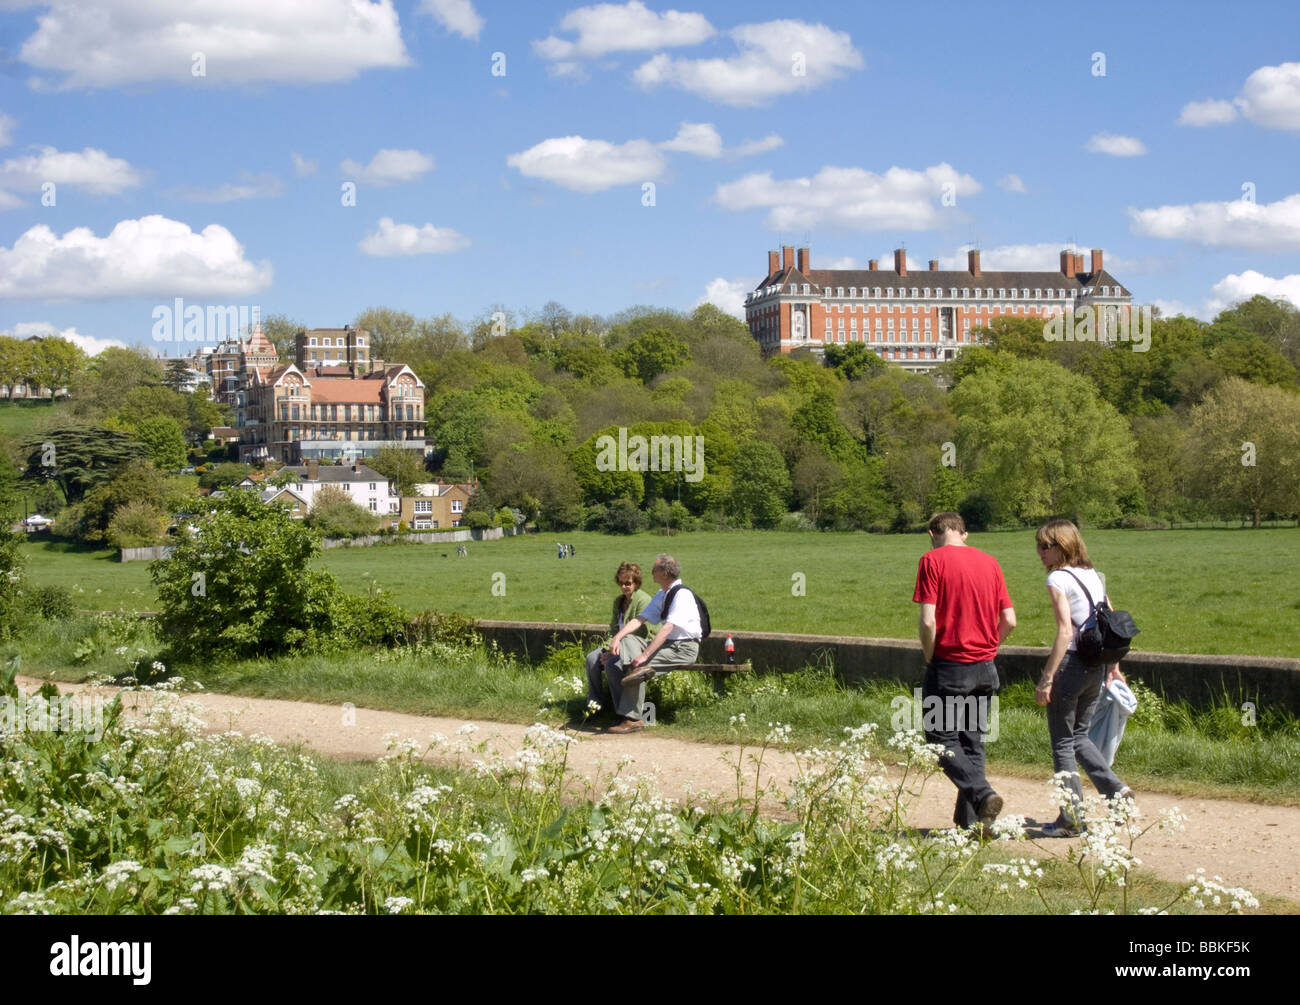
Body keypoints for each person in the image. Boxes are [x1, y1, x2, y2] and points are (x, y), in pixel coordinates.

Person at [913, 512, 1016, 831]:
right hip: (986, 668)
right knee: (973, 742)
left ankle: (983, 794)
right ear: (964, 533)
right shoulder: (990, 562)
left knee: (938, 739)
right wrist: (988, 649)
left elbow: (928, 620)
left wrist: (931, 656)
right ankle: (973, 824)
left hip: (950, 665)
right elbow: (1010, 619)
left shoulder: (932, 561)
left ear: (932, 533)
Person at [1033, 519, 1132, 836]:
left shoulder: (1058, 579)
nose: (1039, 553)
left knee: (1063, 743)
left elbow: (1065, 631)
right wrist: (1113, 668)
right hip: (1097, 666)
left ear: (1061, 547)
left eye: (1044, 547)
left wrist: (1047, 678)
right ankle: (1116, 792)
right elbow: (1111, 622)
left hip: (1073, 666)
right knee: (1079, 737)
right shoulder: (1092, 575)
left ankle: (1071, 819)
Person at [606, 554, 702, 734]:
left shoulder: (682, 595)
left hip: (683, 648)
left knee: (639, 666)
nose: (651, 572)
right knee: (628, 642)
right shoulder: (662, 594)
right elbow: (640, 619)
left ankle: (632, 719)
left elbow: (666, 629)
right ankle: (624, 708)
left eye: (655, 569)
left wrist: (643, 656)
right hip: (669, 646)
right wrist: (618, 636)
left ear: (664, 573)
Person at [583, 563, 652, 725]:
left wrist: (613, 653)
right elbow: (613, 630)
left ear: (636, 583)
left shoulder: (644, 600)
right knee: (592, 658)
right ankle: (594, 706)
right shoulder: (618, 602)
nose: (624, 587)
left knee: (612, 665)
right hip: (617, 645)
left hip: (636, 646)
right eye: (621, 583)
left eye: (628, 583)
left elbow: (640, 632)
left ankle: (624, 711)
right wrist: (607, 649)